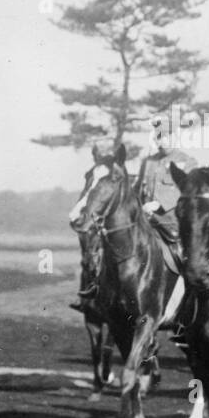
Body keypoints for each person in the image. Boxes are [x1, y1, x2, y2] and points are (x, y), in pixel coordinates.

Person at [69, 129, 122, 314]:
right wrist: (76, 212)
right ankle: (86, 293)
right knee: (88, 256)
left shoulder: (116, 172)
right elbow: (86, 197)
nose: (97, 155)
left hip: (112, 221)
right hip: (94, 221)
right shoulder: (92, 174)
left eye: (100, 151)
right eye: (96, 151)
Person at [136, 117, 197, 249]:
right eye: (160, 136)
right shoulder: (148, 162)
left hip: (173, 224)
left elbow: (186, 192)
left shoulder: (187, 162)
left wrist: (159, 204)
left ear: (175, 136)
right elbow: (138, 190)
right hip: (145, 222)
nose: (164, 140)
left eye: (168, 135)